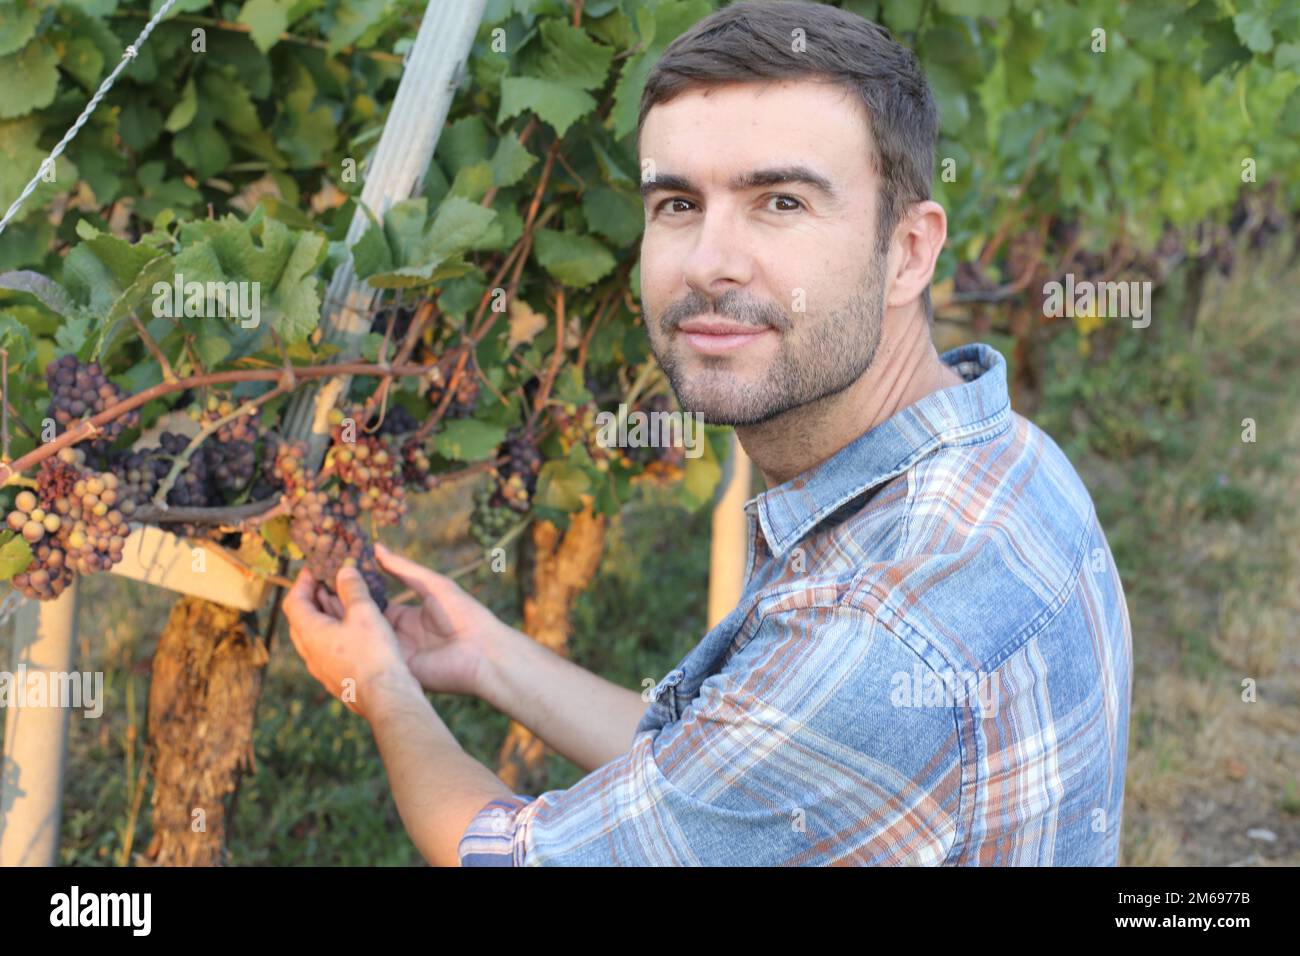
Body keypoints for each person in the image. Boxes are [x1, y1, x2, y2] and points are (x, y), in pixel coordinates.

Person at [283, 0, 1133, 866]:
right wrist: (488, 659)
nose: (708, 262)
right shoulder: (1006, 458)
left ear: (910, 251)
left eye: (781, 201)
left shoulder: (879, 630)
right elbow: (727, 772)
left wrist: (383, 686)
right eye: (679, 204)